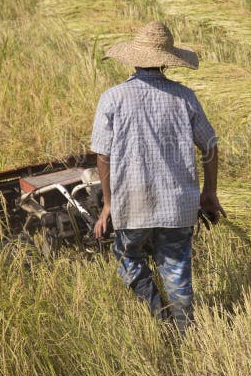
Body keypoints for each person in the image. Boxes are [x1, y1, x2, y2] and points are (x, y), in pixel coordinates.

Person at [90, 21, 225, 334]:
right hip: (178, 205)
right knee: (176, 267)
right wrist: (210, 191)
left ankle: (159, 313)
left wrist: (108, 204)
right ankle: (184, 331)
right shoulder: (185, 97)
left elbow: (102, 156)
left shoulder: (112, 98)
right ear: (167, 60)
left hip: (132, 204)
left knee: (126, 256)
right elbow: (211, 146)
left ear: (134, 58)